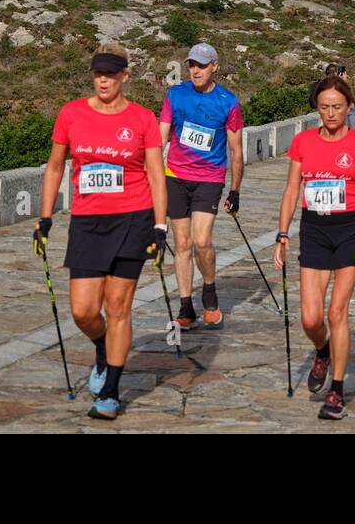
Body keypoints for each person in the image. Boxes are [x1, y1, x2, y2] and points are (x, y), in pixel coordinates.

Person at [36, 43, 168, 420]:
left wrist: (160, 226)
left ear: (125, 76)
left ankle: (110, 391)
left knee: (118, 306)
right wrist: (45, 217)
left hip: (134, 217)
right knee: (82, 310)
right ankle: (101, 344)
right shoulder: (71, 113)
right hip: (88, 222)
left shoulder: (142, 119)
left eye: (111, 73)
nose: (104, 79)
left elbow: (157, 175)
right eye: (98, 73)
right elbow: (54, 167)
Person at [274, 76, 355, 420]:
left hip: (351, 229)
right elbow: (292, 189)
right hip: (315, 228)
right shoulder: (303, 142)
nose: (331, 113)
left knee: (337, 312)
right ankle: (322, 349)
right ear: (317, 108)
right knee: (310, 317)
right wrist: (281, 233)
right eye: (324, 107)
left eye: (337, 106)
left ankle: (336, 390)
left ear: (349, 106)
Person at [159, 42, 244, 330]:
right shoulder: (175, 95)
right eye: (192, 65)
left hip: (209, 177)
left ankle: (209, 289)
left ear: (215, 67)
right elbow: (161, 139)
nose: (196, 70)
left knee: (201, 240)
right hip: (176, 176)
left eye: (202, 65)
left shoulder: (228, 101)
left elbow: (236, 150)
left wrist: (235, 190)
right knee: (182, 243)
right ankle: (186, 307)